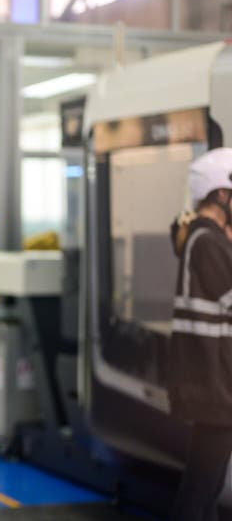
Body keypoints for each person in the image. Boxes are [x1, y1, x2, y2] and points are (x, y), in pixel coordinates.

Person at [168, 147, 232, 521]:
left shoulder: (199, 237)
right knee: (201, 491)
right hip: (215, 388)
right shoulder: (207, 242)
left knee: (204, 489)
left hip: (212, 386)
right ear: (220, 194)